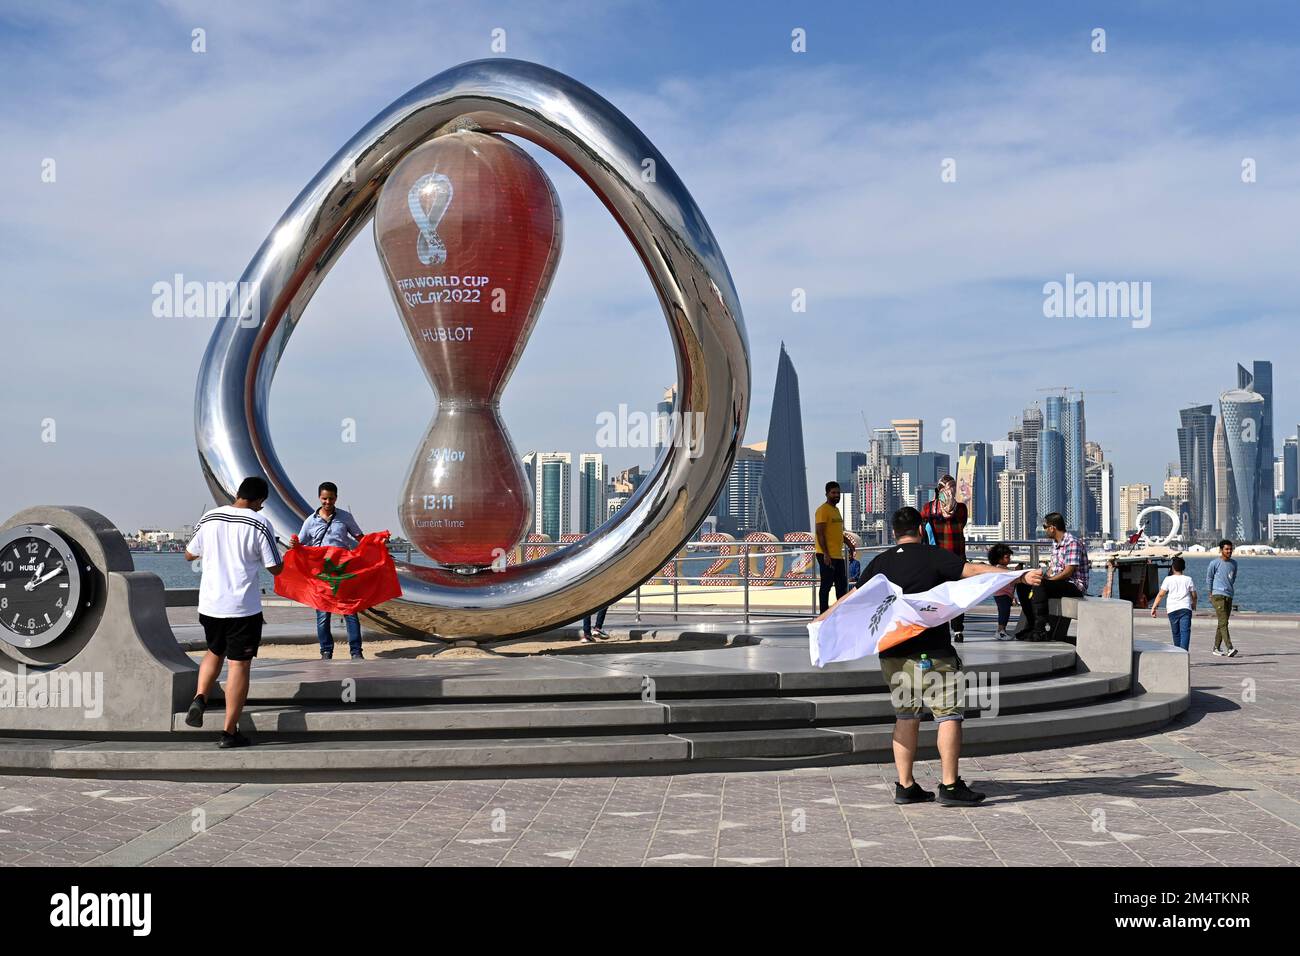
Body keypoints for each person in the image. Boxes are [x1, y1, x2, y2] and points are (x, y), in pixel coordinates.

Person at [860, 507, 1041, 807]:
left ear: (893, 533)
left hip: (892, 652)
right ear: (920, 529)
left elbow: (857, 599)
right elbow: (974, 572)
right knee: (949, 715)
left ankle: (905, 786)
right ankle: (950, 785)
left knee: (906, 715)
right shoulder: (933, 555)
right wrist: (1018, 576)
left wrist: (823, 622)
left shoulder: (880, 561)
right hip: (933, 653)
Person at [182, 477, 284, 749]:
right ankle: (229, 732)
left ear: (238, 494)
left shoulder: (209, 517)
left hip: (210, 605)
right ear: (260, 501)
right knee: (238, 664)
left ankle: (200, 697)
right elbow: (275, 566)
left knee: (214, 651)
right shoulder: (259, 522)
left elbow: (189, 554)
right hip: (242, 607)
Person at [291, 482, 366, 660]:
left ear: (336, 498)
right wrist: (294, 545)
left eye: (331, 498)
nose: (327, 502)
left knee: (349, 611)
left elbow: (360, 538)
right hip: (321, 573)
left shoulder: (345, 517)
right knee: (323, 614)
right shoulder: (310, 521)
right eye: (324, 498)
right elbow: (300, 544)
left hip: (341, 570)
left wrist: (377, 542)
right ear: (319, 498)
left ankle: (356, 651)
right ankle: (326, 650)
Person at [1015, 511, 1088, 642]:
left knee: (1040, 585)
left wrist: (1046, 582)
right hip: (1059, 583)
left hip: (1074, 585)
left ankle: (1040, 629)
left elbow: (1068, 571)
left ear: (1052, 528)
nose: (1044, 530)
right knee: (1023, 584)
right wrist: (1041, 577)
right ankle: (1032, 625)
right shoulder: (1056, 543)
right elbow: (1052, 569)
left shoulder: (1072, 542)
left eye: (1045, 527)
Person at [920, 475, 969, 642]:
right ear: (940, 490)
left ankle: (957, 629)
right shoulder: (929, 509)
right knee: (939, 594)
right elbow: (922, 528)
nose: (951, 491)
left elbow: (959, 521)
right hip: (938, 558)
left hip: (956, 557)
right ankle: (942, 628)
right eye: (948, 488)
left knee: (957, 595)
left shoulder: (961, 508)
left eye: (953, 488)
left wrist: (945, 508)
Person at [814, 481, 855, 613]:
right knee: (826, 587)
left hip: (838, 555)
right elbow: (820, 534)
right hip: (826, 555)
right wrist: (826, 554)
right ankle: (823, 615)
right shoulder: (822, 510)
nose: (836, 495)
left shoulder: (836, 510)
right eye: (833, 493)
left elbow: (836, 532)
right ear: (827, 494)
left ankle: (841, 614)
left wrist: (848, 542)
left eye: (838, 493)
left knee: (841, 587)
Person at [1151, 556, 1196, 651]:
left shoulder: (1168, 579)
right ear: (1183, 568)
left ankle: (1178, 654)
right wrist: (1194, 604)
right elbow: (1194, 595)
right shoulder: (1188, 579)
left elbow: (1160, 594)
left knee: (1176, 633)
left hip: (1172, 609)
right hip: (1185, 608)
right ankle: (1184, 653)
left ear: (1173, 567)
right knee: (1185, 632)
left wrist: (1154, 607)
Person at [1206, 539, 1239, 657]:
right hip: (1217, 595)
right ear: (1221, 550)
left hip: (1229, 595)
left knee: (1223, 622)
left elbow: (1233, 578)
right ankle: (1229, 647)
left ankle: (1216, 648)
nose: (1229, 551)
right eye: (1226, 549)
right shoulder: (1214, 563)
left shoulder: (1234, 563)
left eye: (1230, 549)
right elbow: (1209, 578)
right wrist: (1210, 593)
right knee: (1223, 622)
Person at [987, 543, 1018, 641]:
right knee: (1004, 612)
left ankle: (1002, 630)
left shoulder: (1002, 568)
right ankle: (1000, 631)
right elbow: (1011, 576)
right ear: (999, 558)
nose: (1009, 559)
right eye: (1007, 557)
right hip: (1002, 594)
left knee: (1005, 612)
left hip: (1006, 594)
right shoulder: (999, 568)